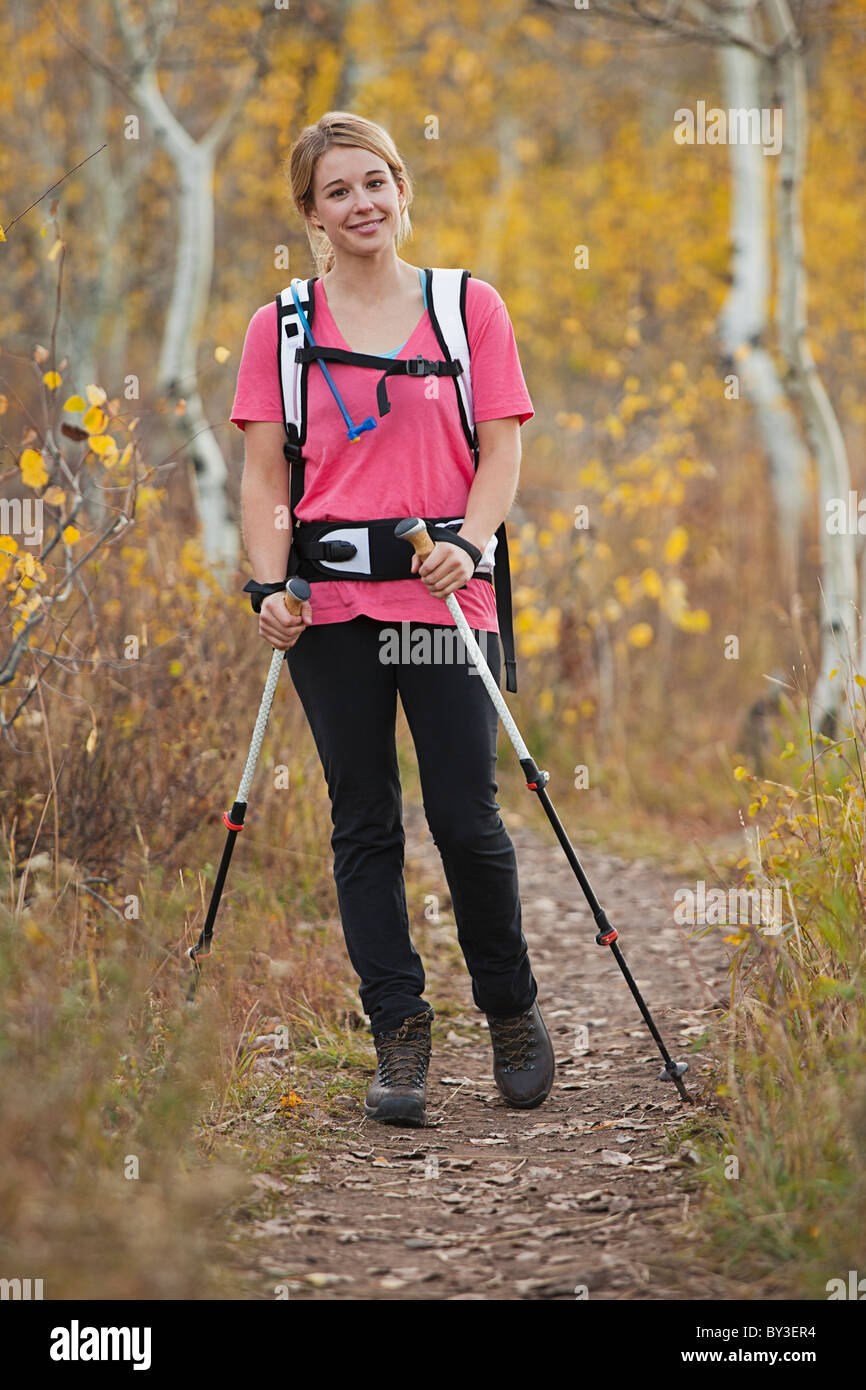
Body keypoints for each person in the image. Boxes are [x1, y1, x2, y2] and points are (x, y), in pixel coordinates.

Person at [230, 111, 554, 1127]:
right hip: (329, 606)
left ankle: (509, 1010)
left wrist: (472, 538)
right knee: (361, 817)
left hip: (440, 592)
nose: (361, 202)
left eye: (375, 182)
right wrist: (265, 586)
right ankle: (399, 1033)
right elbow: (260, 474)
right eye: (337, 191)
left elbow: (500, 449)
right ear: (310, 214)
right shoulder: (280, 327)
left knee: (464, 815)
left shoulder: (468, 309)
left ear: (402, 189)